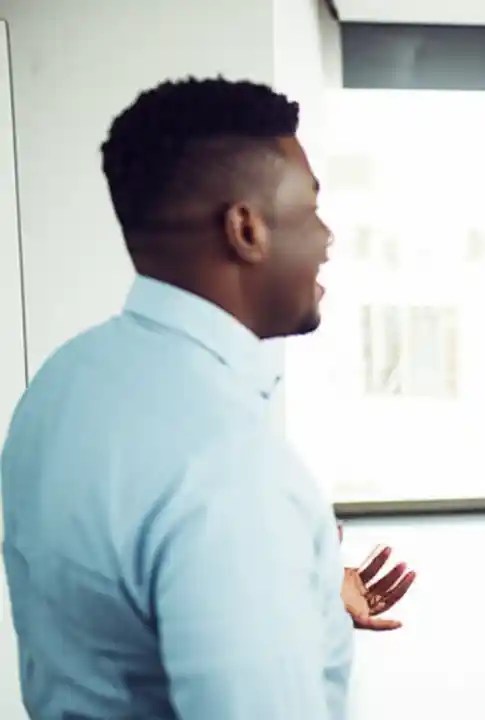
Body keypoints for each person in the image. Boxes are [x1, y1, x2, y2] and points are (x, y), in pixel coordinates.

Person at [0, 77, 414, 719]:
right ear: (245, 229)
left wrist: (295, 599)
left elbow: (122, 627)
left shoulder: (61, 384)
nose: (327, 237)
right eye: (309, 209)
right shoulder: (228, 465)